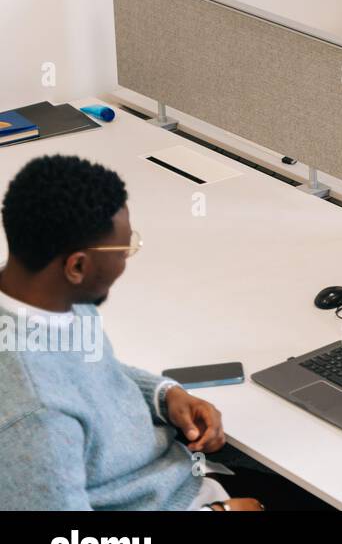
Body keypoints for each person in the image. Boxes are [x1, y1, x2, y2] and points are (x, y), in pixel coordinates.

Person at [0, 154, 264, 510]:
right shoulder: (36, 417)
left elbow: (84, 373)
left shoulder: (41, 294)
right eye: (124, 250)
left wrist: (164, 396)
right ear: (77, 265)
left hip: (178, 474)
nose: (127, 258)